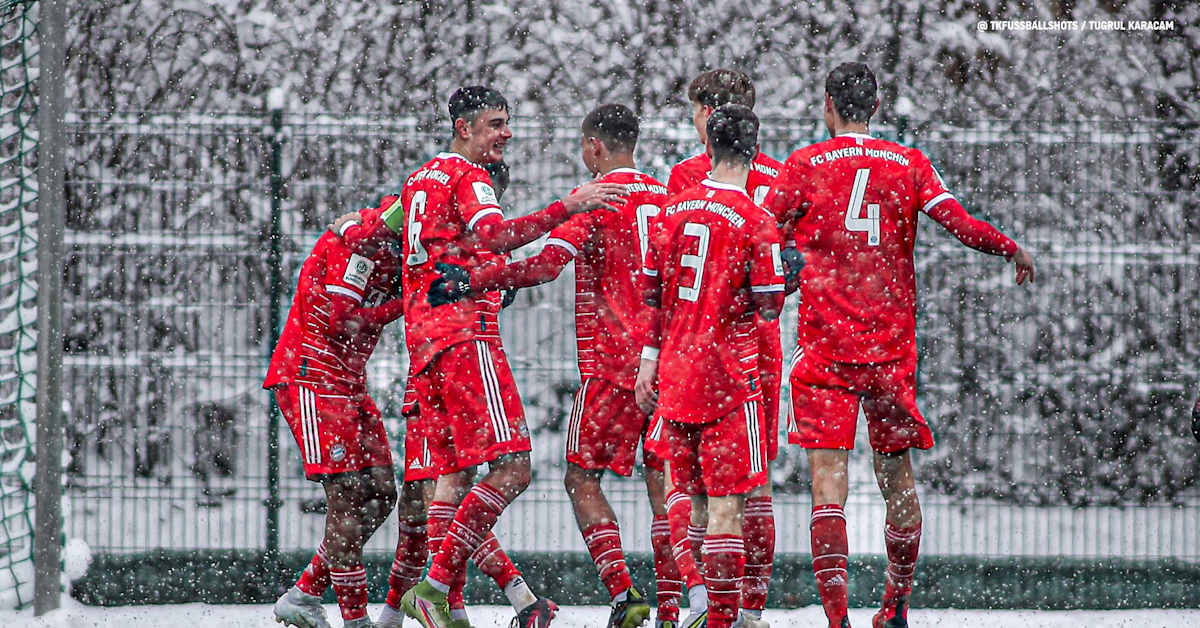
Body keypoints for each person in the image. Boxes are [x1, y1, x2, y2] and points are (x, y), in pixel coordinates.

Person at [762, 62, 1036, 628]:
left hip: (826, 349)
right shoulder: (907, 163)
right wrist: (1008, 247)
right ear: (877, 108)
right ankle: (894, 605)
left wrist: (782, 257)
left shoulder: (805, 164)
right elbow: (955, 219)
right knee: (897, 477)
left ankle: (836, 619)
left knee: (827, 486)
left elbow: (758, 229)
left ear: (828, 106)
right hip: (889, 351)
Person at [339, 85, 624, 628]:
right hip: (464, 339)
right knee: (514, 466)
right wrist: (569, 205)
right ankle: (436, 588)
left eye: (507, 122)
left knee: (446, 482)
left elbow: (383, 234)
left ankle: (442, 605)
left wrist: (353, 232)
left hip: (423, 345)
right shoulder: (469, 178)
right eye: (495, 124)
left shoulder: (419, 178)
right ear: (464, 128)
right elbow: (495, 235)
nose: (506, 133)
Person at [426, 103, 678, 628]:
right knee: (664, 487)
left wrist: (475, 280)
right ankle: (675, 607)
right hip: (667, 364)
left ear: (594, 148)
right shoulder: (669, 199)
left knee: (581, 479)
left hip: (610, 367)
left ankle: (625, 594)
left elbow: (544, 266)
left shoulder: (597, 204)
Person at [372, 161, 548, 628]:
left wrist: (355, 223)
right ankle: (455, 599)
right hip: (462, 361)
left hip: (427, 367)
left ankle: (437, 608)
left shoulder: (419, 206)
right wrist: (564, 221)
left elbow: (380, 223)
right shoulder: (476, 244)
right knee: (453, 495)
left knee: (435, 500)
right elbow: (522, 266)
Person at [635, 104, 788, 628]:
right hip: (729, 376)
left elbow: (651, 295)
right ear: (753, 148)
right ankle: (723, 619)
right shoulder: (755, 219)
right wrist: (782, 274)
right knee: (727, 506)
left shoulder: (671, 212)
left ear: (710, 147)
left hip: (676, 372)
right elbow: (769, 304)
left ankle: (694, 601)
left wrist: (648, 363)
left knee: (688, 498)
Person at [265, 204, 405, 628]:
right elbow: (342, 320)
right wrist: (407, 304)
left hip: (348, 382)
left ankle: (305, 593)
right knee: (345, 494)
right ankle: (356, 620)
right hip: (311, 375)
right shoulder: (360, 243)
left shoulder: (400, 248)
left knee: (382, 494)